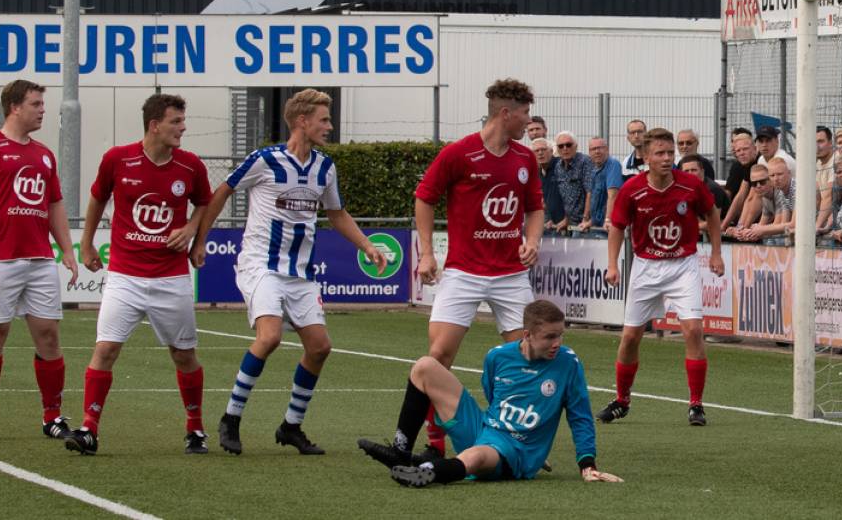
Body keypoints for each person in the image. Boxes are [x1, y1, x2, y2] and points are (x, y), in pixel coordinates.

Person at [192, 89, 386, 456]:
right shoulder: (265, 160)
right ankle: (231, 418)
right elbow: (222, 191)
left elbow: (337, 214)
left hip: (301, 273)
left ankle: (290, 426)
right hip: (260, 266)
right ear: (302, 121)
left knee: (320, 347)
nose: (330, 126)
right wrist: (201, 239)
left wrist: (367, 245)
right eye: (324, 119)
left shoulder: (325, 168)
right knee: (269, 338)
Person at [65, 94, 213, 456]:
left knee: (184, 356)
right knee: (106, 349)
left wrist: (194, 234)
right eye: (176, 121)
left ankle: (195, 427)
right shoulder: (118, 159)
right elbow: (98, 198)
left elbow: (205, 203)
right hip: (125, 275)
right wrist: (86, 244)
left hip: (170, 277)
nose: (183, 128)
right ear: (154, 125)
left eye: (182, 120)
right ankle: (88, 428)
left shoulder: (190, 166)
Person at [411, 78, 544, 458]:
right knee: (438, 357)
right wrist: (426, 253)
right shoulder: (459, 153)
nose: (527, 121)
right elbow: (424, 198)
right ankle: (434, 444)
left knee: (527, 356)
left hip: (511, 276)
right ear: (506, 113)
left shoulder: (524, 158)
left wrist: (532, 241)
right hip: (464, 273)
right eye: (524, 114)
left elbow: (535, 207)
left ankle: (517, 438)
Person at [356, 301, 621, 486]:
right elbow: (493, 395)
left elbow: (580, 415)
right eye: (550, 337)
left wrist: (587, 464)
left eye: (560, 335)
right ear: (527, 335)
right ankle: (400, 453)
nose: (557, 343)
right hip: (486, 428)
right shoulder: (497, 356)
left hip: (517, 450)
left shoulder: (568, 363)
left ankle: (425, 474)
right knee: (425, 366)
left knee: (477, 455)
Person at [0, 79, 79, 442]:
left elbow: (53, 203)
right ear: (15, 107)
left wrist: (66, 249)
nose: (42, 109)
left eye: (43, 103)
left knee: (49, 337)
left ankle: (52, 417)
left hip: (39, 260)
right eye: (36, 103)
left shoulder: (43, 154)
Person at [598, 128, 724, 426]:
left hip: (683, 265)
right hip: (646, 267)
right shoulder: (632, 189)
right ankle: (622, 400)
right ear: (645, 157)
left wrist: (716, 253)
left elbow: (713, 213)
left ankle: (696, 404)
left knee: (693, 330)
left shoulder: (690, 186)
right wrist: (612, 265)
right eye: (660, 153)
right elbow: (617, 227)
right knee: (630, 337)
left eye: (671, 153)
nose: (667, 158)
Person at [551, 131, 593, 232]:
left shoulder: (585, 162)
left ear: (576, 146)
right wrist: (566, 219)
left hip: (584, 224)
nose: (565, 148)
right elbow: (565, 197)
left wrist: (585, 219)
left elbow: (590, 192)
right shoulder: (558, 167)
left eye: (568, 145)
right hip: (569, 222)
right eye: (561, 146)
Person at [581, 137, 623, 232]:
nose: (597, 151)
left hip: (607, 228)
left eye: (600, 148)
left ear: (607, 149)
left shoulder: (613, 165)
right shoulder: (594, 169)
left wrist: (608, 219)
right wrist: (587, 219)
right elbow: (591, 195)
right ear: (589, 152)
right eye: (593, 149)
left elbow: (613, 195)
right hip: (596, 225)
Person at [720, 132, 758, 230]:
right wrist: (724, 226)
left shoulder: (759, 162)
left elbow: (751, 199)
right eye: (738, 151)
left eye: (745, 149)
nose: (741, 153)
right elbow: (740, 196)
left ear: (755, 148)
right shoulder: (747, 165)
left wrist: (740, 228)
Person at [680, 154, 730, 227]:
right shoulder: (685, 188)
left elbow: (713, 223)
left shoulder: (712, 189)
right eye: (686, 171)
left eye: (694, 170)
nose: (690, 174)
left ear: (702, 171)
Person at [531, 137, 565, 230]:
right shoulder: (538, 172)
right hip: (553, 224)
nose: (540, 153)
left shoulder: (561, 165)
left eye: (543, 150)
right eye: (536, 151)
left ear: (551, 151)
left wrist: (567, 219)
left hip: (570, 223)